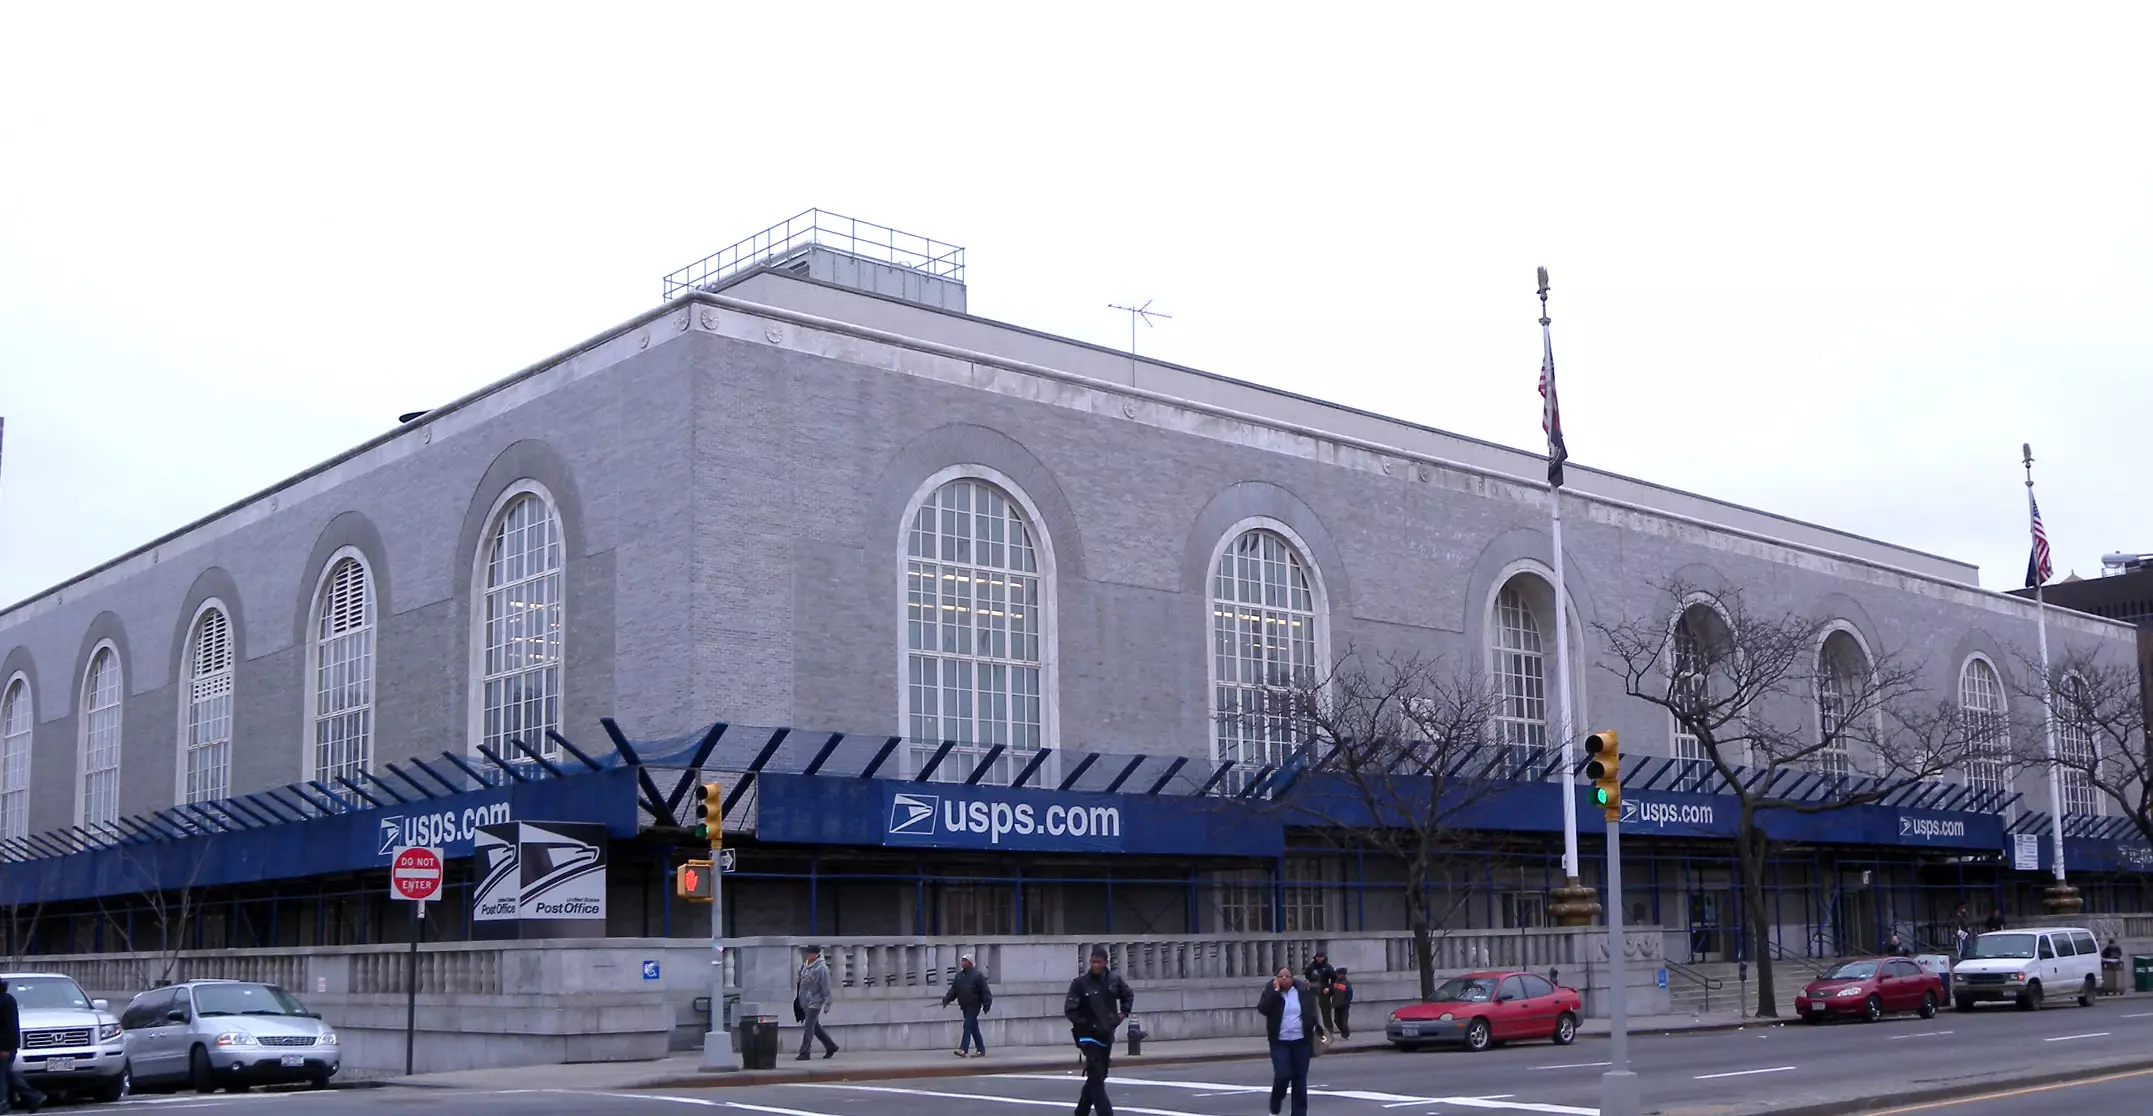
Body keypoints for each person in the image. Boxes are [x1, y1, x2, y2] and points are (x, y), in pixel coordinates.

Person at [1065, 946, 1134, 1116]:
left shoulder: (1114, 980)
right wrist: (1084, 1025)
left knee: (1099, 1076)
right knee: (1096, 1076)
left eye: (1098, 962)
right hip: (1088, 1036)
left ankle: (1081, 1111)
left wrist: (1123, 1014)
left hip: (1106, 1033)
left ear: (1105, 963)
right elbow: (1070, 1010)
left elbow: (1128, 994)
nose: (1095, 965)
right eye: (1093, 962)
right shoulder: (1080, 983)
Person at [1257, 966, 1326, 1116]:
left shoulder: (1302, 991)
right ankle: (1275, 1105)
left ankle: (1299, 1113)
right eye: (1280, 976)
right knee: (1282, 1075)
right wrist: (1275, 993)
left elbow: (1310, 1009)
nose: (1283, 979)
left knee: (1300, 1080)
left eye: (1287, 976)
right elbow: (1263, 1009)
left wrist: (1316, 1026)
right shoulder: (1271, 991)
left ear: (1292, 978)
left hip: (1301, 1041)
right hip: (1280, 1041)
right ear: (1276, 979)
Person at [0, 979, 45, 1114]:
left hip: (4, 1045)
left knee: (2, 1074)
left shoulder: (6, 1000)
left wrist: (6, 1048)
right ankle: (33, 1097)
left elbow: (11, 1026)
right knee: (6, 1075)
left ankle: (3, 1103)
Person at [941, 954, 994, 1058]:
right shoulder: (959, 976)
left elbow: (985, 991)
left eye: (965, 961)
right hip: (964, 1005)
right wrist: (946, 1000)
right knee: (973, 1027)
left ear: (970, 963)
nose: (963, 963)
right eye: (962, 961)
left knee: (967, 1025)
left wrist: (987, 1004)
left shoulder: (977, 975)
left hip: (974, 1005)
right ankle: (981, 1049)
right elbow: (954, 990)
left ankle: (963, 1049)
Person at [793, 945, 839, 1061]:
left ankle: (804, 1052)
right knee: (815, 1026)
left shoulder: (822, 968)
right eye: (807, 953)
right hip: (805, 1000)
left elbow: (826, 987)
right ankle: (831, 1046)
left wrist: (828, 1003)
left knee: (809, 1026)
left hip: (816, 1001)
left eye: (810, 953)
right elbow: (800, 976)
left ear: (816, 954)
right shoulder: (805, 965)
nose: (807, 955)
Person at [1302, 951, 1337, 1036]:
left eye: (1320, 957)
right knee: (1312, 1011)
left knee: (1326, 1012)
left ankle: (1329, 1029)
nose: (1318, 959)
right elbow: (1307, 975)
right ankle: (1313, 1029)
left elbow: (1334, 980)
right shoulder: (1312, 966)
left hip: (1324, 992)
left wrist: (1329, 988)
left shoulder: (1328, 967)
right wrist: (1307, 981)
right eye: (1317, 957)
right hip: (1313, 991)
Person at [1329, 967, 1353, 1040]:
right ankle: (1344, 1032)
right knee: (1336, 1020)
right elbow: (1332, 992)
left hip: (1344, 1005)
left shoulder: (1347, 983)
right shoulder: (1335, 982)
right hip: (1337, 1004)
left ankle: (1346, 1034)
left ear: (1343, 975)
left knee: (1344, 1022)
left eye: (1338, 974)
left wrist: (1346, 1002)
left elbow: (1349, 994)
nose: (1337, 975)